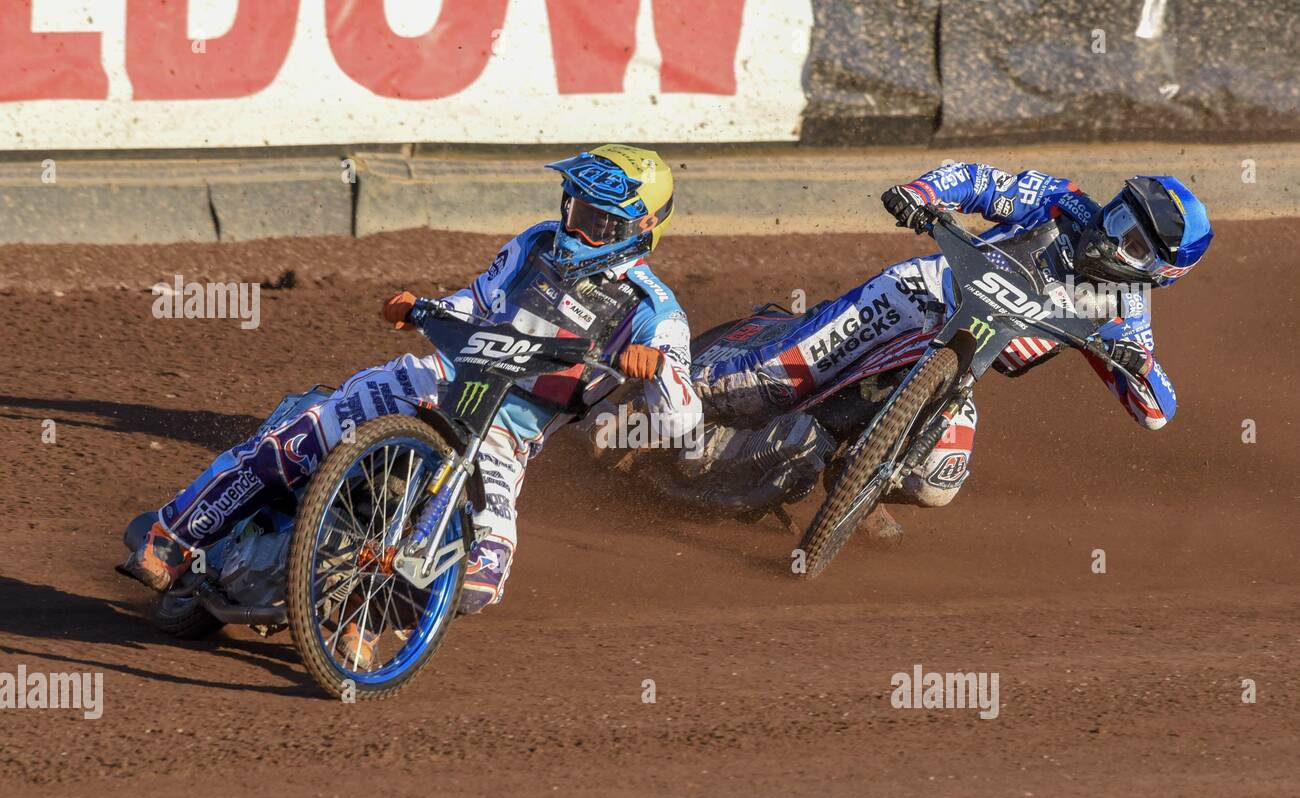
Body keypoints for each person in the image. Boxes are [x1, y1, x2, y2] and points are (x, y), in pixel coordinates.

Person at [120, 144, 703, 634]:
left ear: (640, 229)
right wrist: (423, 308)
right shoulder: (536, 242)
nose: (577, 227)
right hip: (439, 381)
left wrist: (655, 370)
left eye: (597, 221)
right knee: (306, 438)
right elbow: (475, 302)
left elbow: (682, 421)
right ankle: (172, 535)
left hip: (503, 436)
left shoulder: (654, 311)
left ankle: (352, 615)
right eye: (576, 208)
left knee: (478, 581)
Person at [681, 163, 1213, 537]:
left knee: (936, 483)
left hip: (960, 366)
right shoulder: (1063, 204)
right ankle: (665, 396)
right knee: (761, 383)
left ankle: (855, 481)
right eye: (1120, 216)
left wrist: (1135, 362)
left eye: (1134, 244)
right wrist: (922, 193)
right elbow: (981, 181)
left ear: (1159, 273)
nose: (1110, 236)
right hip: (917, 298)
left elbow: (1157, 413)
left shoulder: (1123, 311)